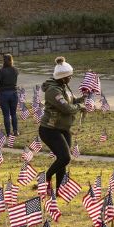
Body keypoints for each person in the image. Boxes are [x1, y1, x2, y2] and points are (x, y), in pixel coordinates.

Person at [38, 57, 83, 196]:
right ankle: (46, 177)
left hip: (63, 129)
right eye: (69, 76)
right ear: (63, 78)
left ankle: (60, 190)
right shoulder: (53, 91)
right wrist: (79, 106)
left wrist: (83, 99)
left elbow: (71, 101)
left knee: (62, 160)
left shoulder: (63, 86)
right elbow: (66, 108)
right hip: (50, 130)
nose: (71, 78)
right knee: (65, 157)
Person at [0, 53, 20, 139]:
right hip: (13, 93)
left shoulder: (1, 71)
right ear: (12, 60)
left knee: (6, 115)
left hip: (3, 94)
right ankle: (15, 131)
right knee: (14, 113)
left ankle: (8, 133)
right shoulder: (15, 70)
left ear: (3, 61)